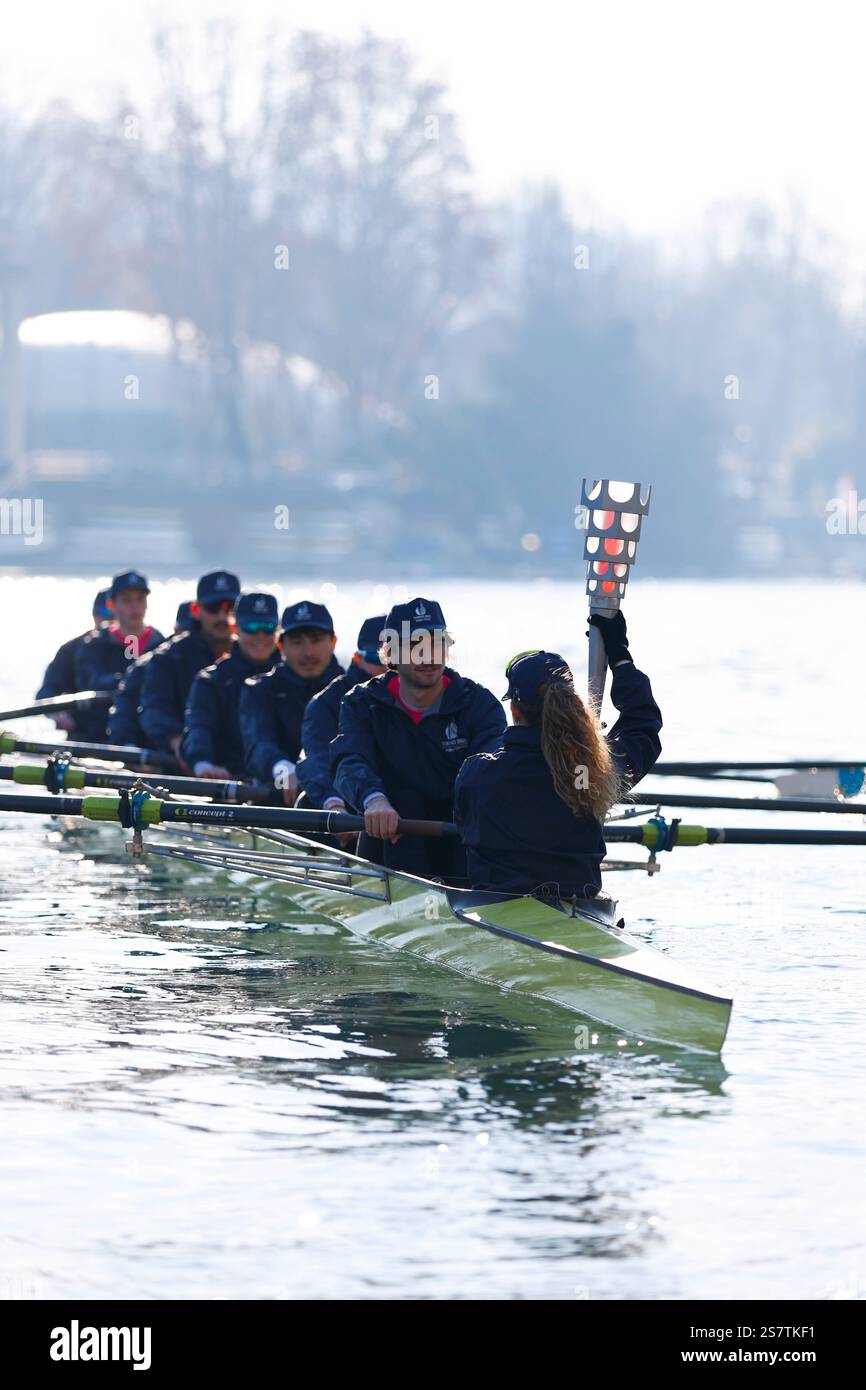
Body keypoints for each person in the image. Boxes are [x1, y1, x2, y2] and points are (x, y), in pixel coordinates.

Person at [453, 613, 662, 900]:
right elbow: (643, 726)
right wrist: (619, 656)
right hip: (581, 909)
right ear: (573, 705)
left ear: (514, 710)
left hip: (495, 909)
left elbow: (464, 828)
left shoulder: (477, 774)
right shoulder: (592, 776)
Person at [330, 597, 506, 880]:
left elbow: (494, 765)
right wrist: (373, 800)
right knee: (401, 801)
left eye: (436, 644)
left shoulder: (479, 703)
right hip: (389, 837)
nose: (428, 656)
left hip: (459, 837)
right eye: (415, 646)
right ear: (391, 654)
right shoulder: (361, 703)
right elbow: (349, 759)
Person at [240, 600, 343, 800]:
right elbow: (258, 745)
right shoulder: (258, 690)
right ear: (281, 646)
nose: (308, 652)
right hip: (280, 798)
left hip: (345, 796)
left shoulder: (353, 691)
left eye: (316, 640)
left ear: (334, 642)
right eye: (297, 642)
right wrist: (283, 769)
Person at [139, 571, 240, 759]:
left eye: (230, 609)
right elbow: (155, 710)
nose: (222, 616)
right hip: (184, 760)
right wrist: (178, 743)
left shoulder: (255, 656)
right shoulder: (168, 658)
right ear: (196, 610)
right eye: (213, 608)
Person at [181, 592, 281, 779]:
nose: (260, 636)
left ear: (278, 630)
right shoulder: (210, 680)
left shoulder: (291, 679)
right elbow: (199, 728)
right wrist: (202, 763)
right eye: (251, 627)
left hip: (282, 781)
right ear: (235, 628)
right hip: (230, 780)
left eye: (267, 628)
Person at [297, 614, 387, 810]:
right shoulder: (325, 703)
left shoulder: (417, 697)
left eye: (394, 659)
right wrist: (333, 803)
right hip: (350, 810)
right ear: (357, 657)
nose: (386, 668)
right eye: (377, 658)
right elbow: (316, 758)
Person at [70, 572, 164, 742]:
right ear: (111, 605)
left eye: (140, 599)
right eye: (127, 600)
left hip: (150, 740)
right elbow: (92, 683)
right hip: (99, 739)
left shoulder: (162, 646)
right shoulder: (93, 646)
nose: (135, 607)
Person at [107, 600, 194, 748]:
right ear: (175, 630)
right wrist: (130, 750)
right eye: (185, 633)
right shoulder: (149, 664)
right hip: (164, 755)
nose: (191, 641)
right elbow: (124, 713)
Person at [36, 587, 113, 733]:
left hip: (129, 734)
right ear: (93, 615)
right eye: (104, 613)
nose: (109, 619)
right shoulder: (71, 649)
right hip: (85, 734)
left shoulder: (141, 646)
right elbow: (45, 695)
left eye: (113, 614)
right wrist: (59, 717)